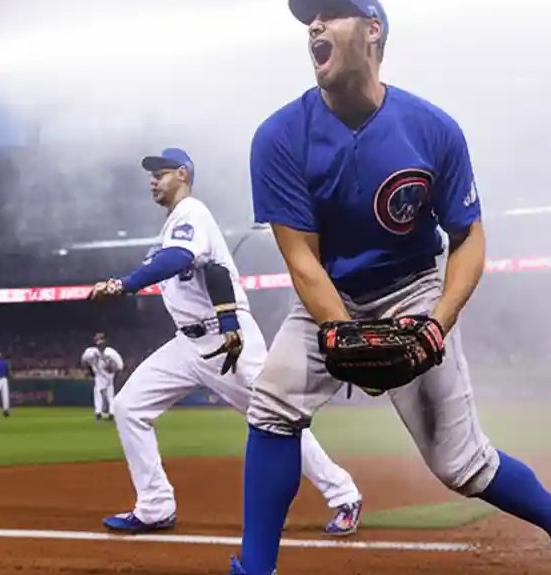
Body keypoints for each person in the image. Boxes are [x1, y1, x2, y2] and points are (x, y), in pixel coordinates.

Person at [162, 0, 551, 575]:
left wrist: (436, 323)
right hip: (331, 296)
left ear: (373, 30)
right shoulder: (280, 136)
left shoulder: (432, 129)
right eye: (307, 20)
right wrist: (338, 329)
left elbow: (469, 240)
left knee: (463, 465)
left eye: (330, 15)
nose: (313, 26)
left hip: (413, 288)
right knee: (273, 402)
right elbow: (302, 259)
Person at [88, 147, 363, 536]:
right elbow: (211, 270)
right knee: (129, 406)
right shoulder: (172, 225)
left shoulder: (192, 213)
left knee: (275, 417)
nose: (153, 180)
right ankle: (154, 506)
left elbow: (179, 258)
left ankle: (344, 494)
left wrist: (125, 283)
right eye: (151, 174)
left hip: (227, 341)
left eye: (161, 173)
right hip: (187, 345)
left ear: (183, 174)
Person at [80, 332, 124, 421]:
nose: (100, 344)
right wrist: (90, 369)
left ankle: (107, 413)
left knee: (107, 395)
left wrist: (112, 368)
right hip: (99, 375)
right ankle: (101, 412)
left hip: (108, 376)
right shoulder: (91, 352)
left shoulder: (110, 352)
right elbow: (84, 361)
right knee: (101, 393)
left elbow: (120, 366)